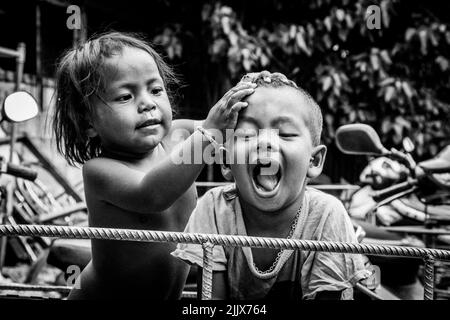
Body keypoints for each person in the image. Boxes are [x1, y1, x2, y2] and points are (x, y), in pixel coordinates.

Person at [52, 31, 256, 299]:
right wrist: (209, 131)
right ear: (89, 123)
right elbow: (153, 195)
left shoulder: (179, 137)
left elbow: (235, 128)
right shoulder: (100, 170)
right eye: (125, 96)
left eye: (156, 90)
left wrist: (257, 91)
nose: (147, 103)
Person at [172, 71, 371, 300]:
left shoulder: (327, 215)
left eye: (285, 134)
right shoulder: (214, 209)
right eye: (247, 135)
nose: (265, 141)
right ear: (226, 162)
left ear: (314, 161)